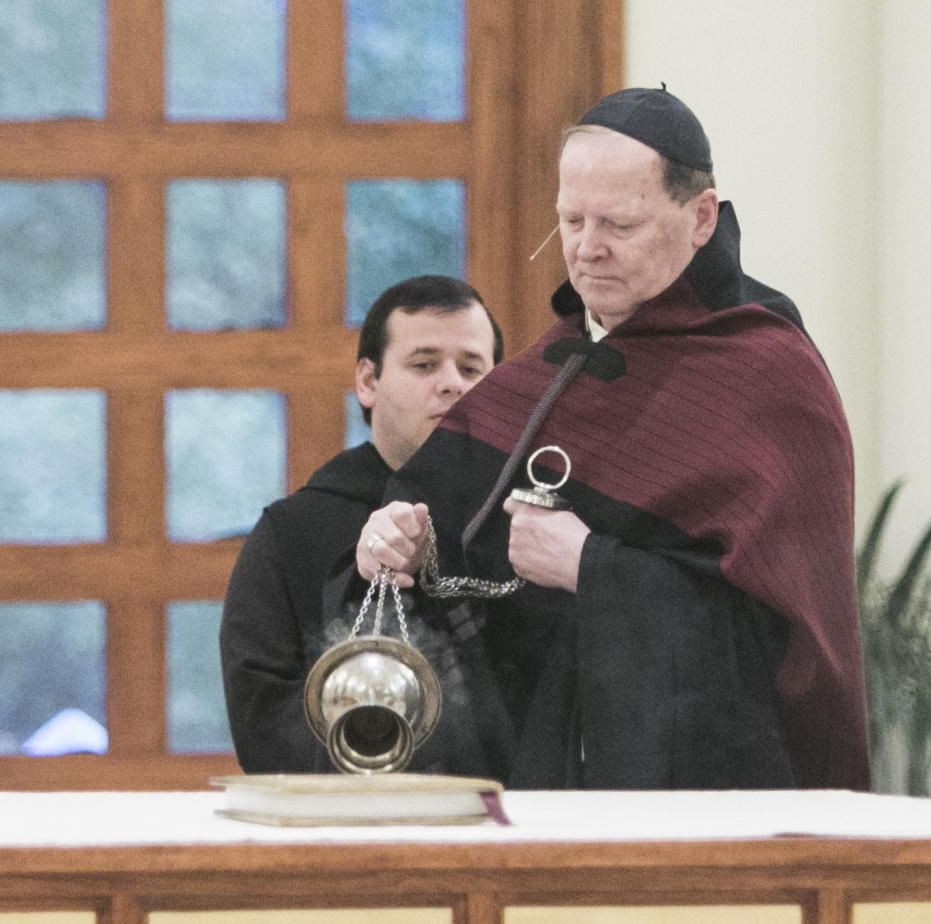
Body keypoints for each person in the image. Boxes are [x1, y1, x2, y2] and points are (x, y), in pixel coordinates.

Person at [354, 88, 869, 792]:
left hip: (711, 795)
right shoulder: (549, 370)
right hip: (538, 779)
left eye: (619, 225)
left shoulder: (768, 376)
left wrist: (590, 566)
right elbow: (436, 534)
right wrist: (394, 538)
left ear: (700, 218)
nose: (586, 249)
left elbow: (780, 640)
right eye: (571, 219)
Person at [220, 275, 504, 775]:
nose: (453, 383)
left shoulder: (523, 523)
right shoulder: (290, 535)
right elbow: (262, 722)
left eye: (472, 367)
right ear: (368, 382)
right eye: (424, 364)